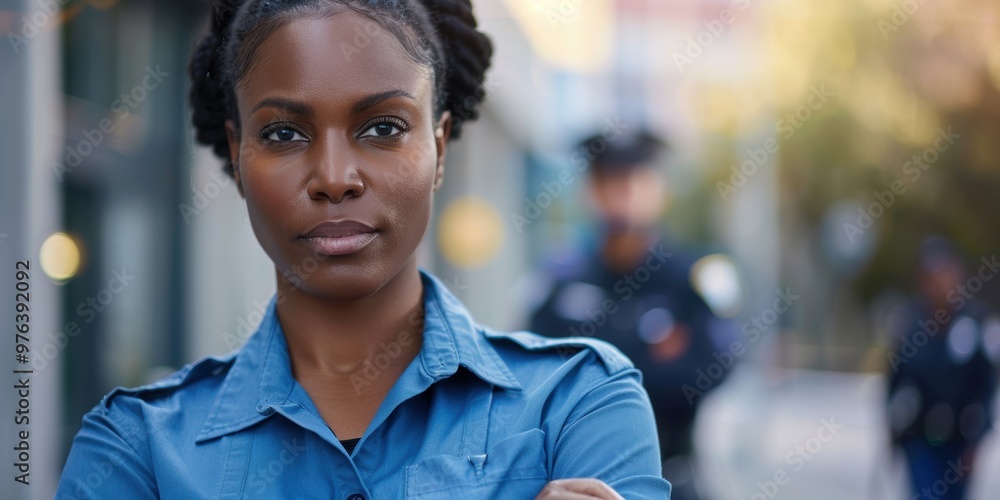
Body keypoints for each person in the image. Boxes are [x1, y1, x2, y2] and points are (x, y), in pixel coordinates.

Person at [55, 1, 670, 498]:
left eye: (383, 127)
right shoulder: (136, 448)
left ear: (440, 148)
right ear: (238, 156)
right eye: (284, 133)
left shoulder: (579, 402)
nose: (333, 176)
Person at [529, 131, 736, 499]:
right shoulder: (559, 282)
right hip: (572, 484)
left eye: (636, 179)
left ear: (660, 190)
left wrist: (595, 372)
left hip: (672, 481)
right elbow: (533, 377)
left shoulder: (692, 280)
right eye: (609, 180)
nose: (623, 192)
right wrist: (648, 358)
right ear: (589, 191)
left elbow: (711, 370)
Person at [886, 236, 997, 500]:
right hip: (919, 437)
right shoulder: (909, 323)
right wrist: (891, 428)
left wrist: (977, 439)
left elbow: (986, 385)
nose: (939, 283)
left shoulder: (976, 322)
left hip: (960, 441)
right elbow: (896, 378)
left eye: (945, 273)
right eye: (931, 276)